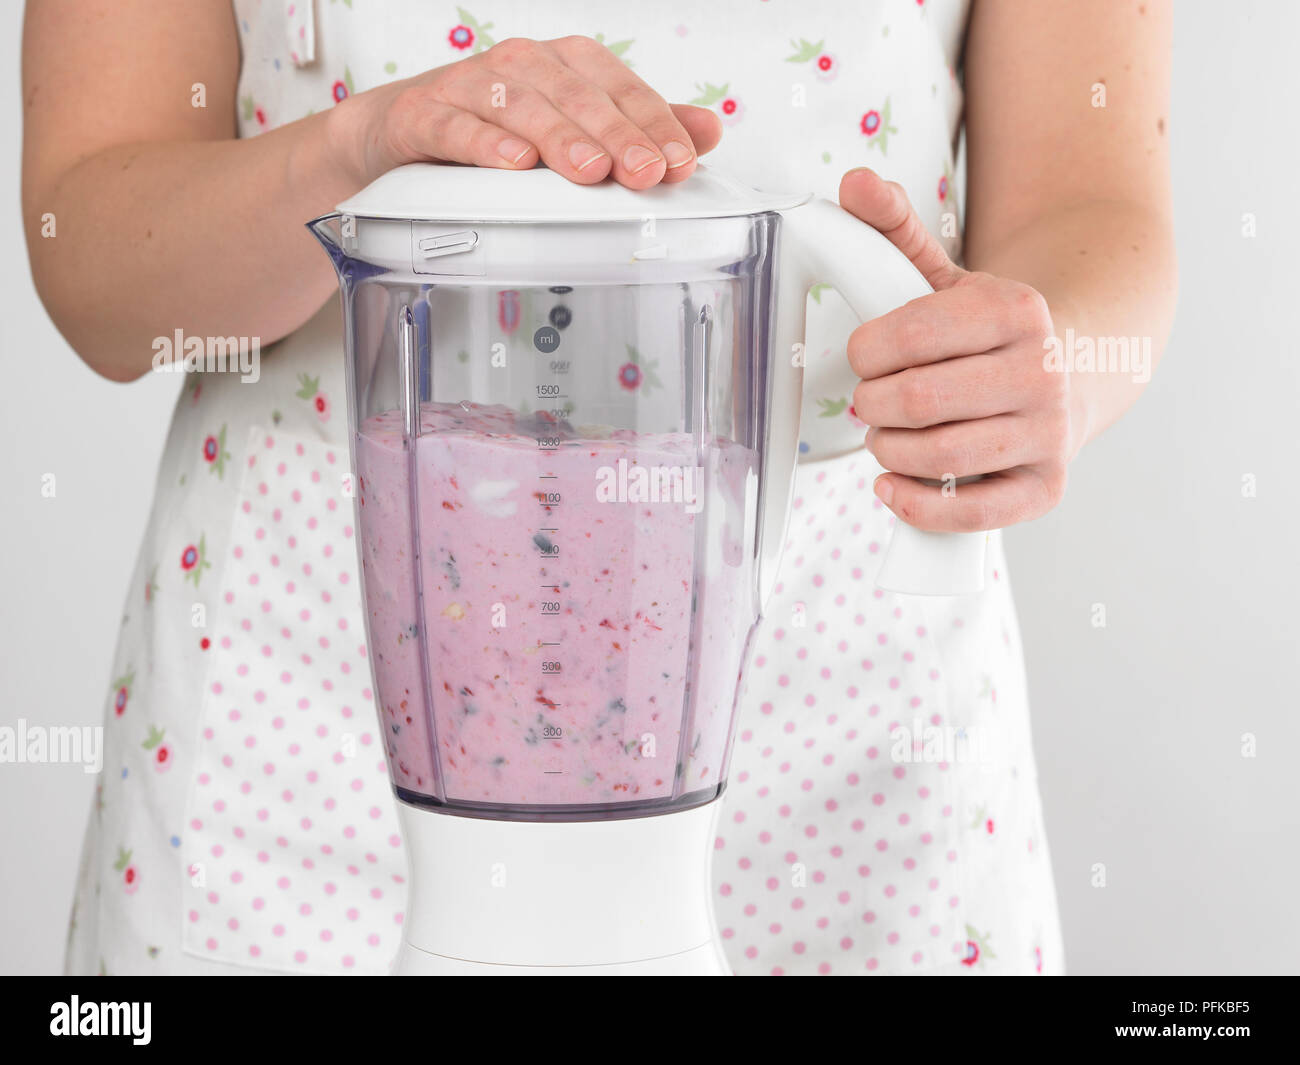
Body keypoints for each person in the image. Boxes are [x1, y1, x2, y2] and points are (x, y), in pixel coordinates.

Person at [23, 0, 1176, 976]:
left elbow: (1090, 200)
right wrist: (351, 150)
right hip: (301, 705)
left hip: (856, 692)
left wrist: (1032, 368)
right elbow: (94, 256)